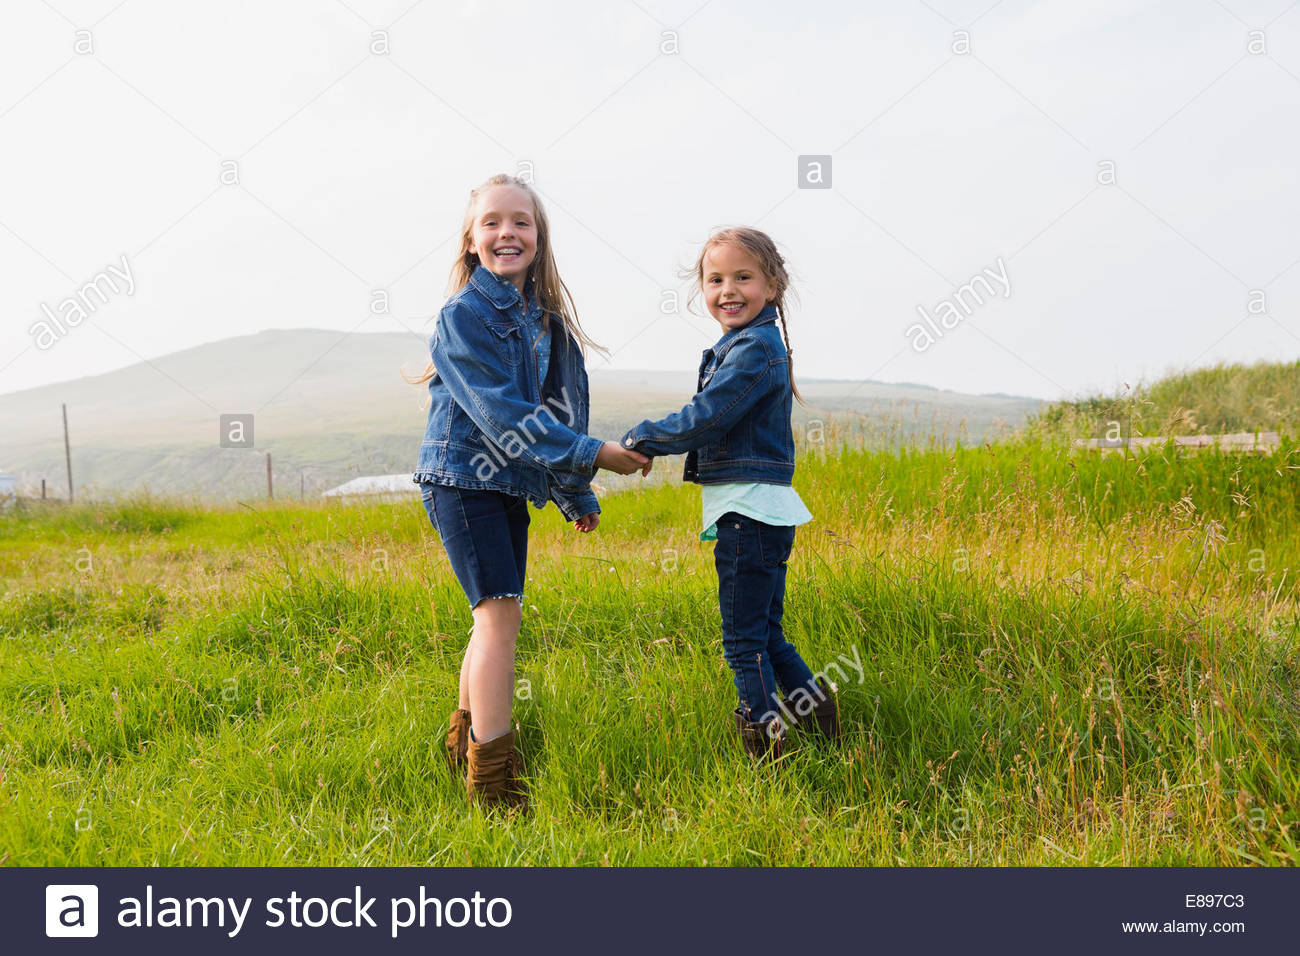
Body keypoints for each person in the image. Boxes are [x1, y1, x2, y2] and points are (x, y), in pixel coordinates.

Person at [410, 174, 649, 809]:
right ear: (469, 242)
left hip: (507, 485)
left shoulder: (549, 325)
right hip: (460, 480)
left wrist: (578, 493)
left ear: (538, 240)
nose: (505, 232)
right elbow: (507, 417)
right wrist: (597, 455)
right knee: (499, 618)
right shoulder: (461, 319)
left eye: (520, 222)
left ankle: (463, 744)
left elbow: (562, 413)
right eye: (490, 222)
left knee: (492, 614)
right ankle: (494, 783)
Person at [621, 227, 839, 760]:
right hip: (760, 511)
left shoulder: (752, 352)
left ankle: (768, 754)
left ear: (773, 283)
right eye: (715, 279)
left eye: (743, 277)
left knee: (743, 643)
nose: (728, 290)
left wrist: (642, 438)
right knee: (767, 633)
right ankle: (825, 727)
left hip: (748, 515)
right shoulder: (749, 346)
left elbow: (707, 417)